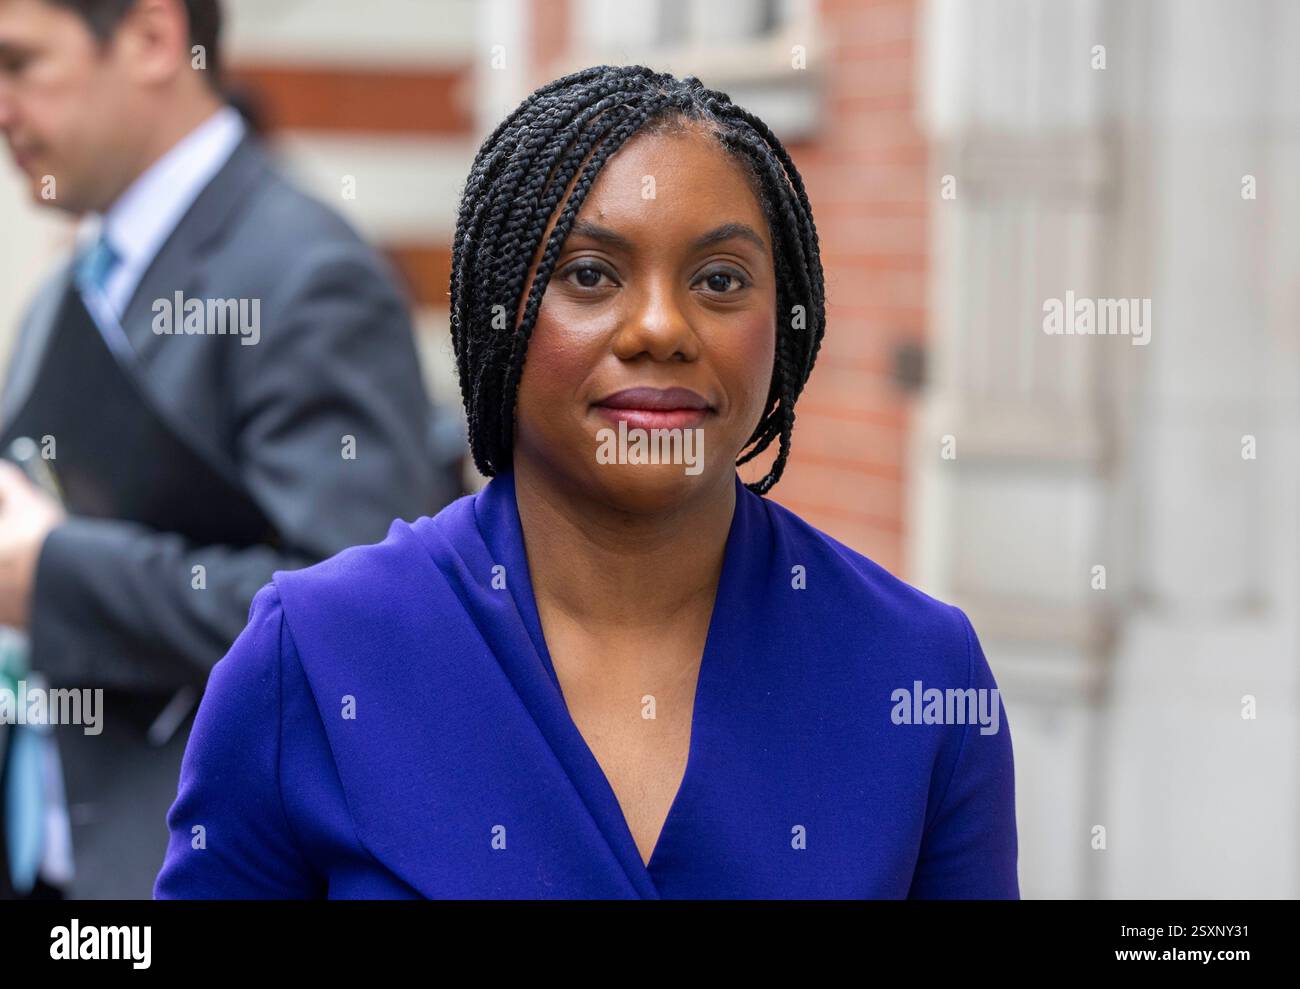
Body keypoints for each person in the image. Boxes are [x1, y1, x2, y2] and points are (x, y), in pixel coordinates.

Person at [154, 65, 1019, 899]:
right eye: (591, 275)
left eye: (720, 280)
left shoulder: (918, 673)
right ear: (502, 314)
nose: (659, 328)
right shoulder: (312, 653)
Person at [0, 0, 454, 898]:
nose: (2, 104)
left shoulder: (307, 273)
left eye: (21, 64)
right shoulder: (73, 286)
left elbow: (357, 617)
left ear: (156, 40)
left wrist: (50, 572)